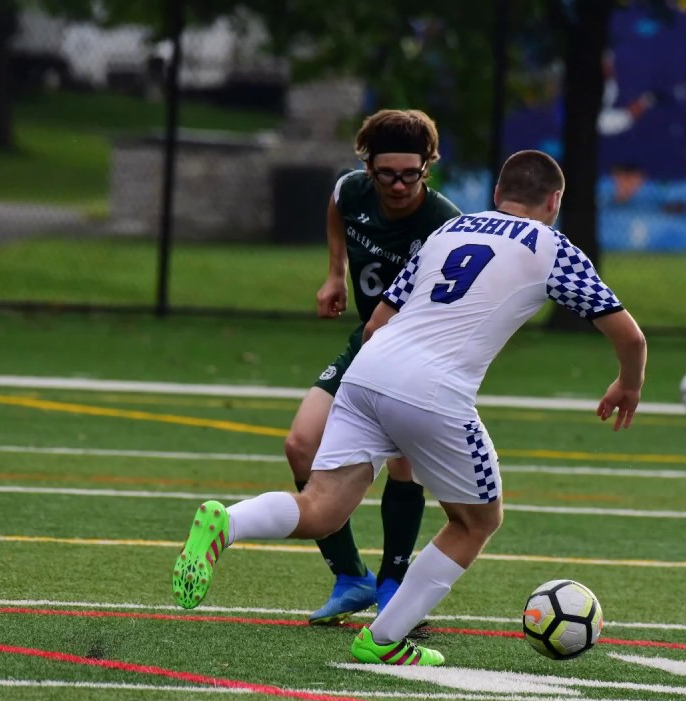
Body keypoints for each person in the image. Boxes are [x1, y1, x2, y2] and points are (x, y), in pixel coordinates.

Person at [171, 149, 647, 666]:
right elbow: (629, 335)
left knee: (322, 509)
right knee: (476, 523)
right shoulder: (553, 246)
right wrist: (628, 384)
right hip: (434, 390)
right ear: (555, 200)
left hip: (369, 369)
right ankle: (383, 638)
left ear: (496, 195)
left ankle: (228, 523)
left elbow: (376, 322)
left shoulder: (448, 233)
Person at [285, 109, 462, 626]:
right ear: (368, 166)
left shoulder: (444, 223)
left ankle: (393, 585)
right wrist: (334, 273)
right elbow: (337, 206)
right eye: (387, 174)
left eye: (412, 173)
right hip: (365, 343)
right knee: (300, 445)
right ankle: (350, 577)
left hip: (413, 357)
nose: (400, 185)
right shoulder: (352, 191)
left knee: (403, 464)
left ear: (427, 166)